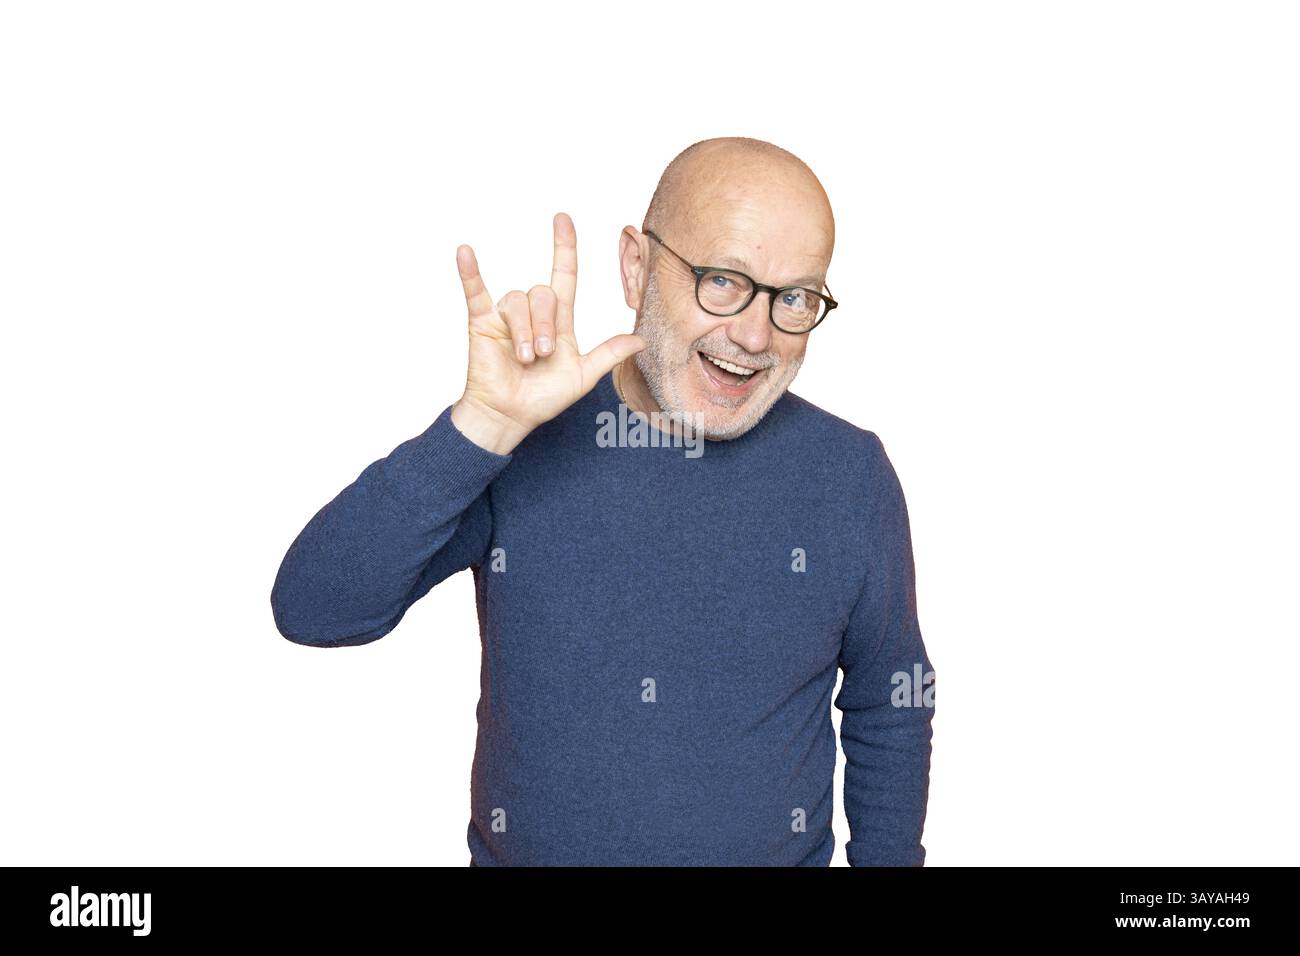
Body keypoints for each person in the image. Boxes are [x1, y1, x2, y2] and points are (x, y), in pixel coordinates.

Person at [271, 136, 935, 866]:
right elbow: (314, 609)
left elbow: (890, 703)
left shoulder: (850, 476)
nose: (753, 334)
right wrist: (482, 428)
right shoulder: (521, 441)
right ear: (637, 266)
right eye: (723, 280)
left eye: (795, 298)